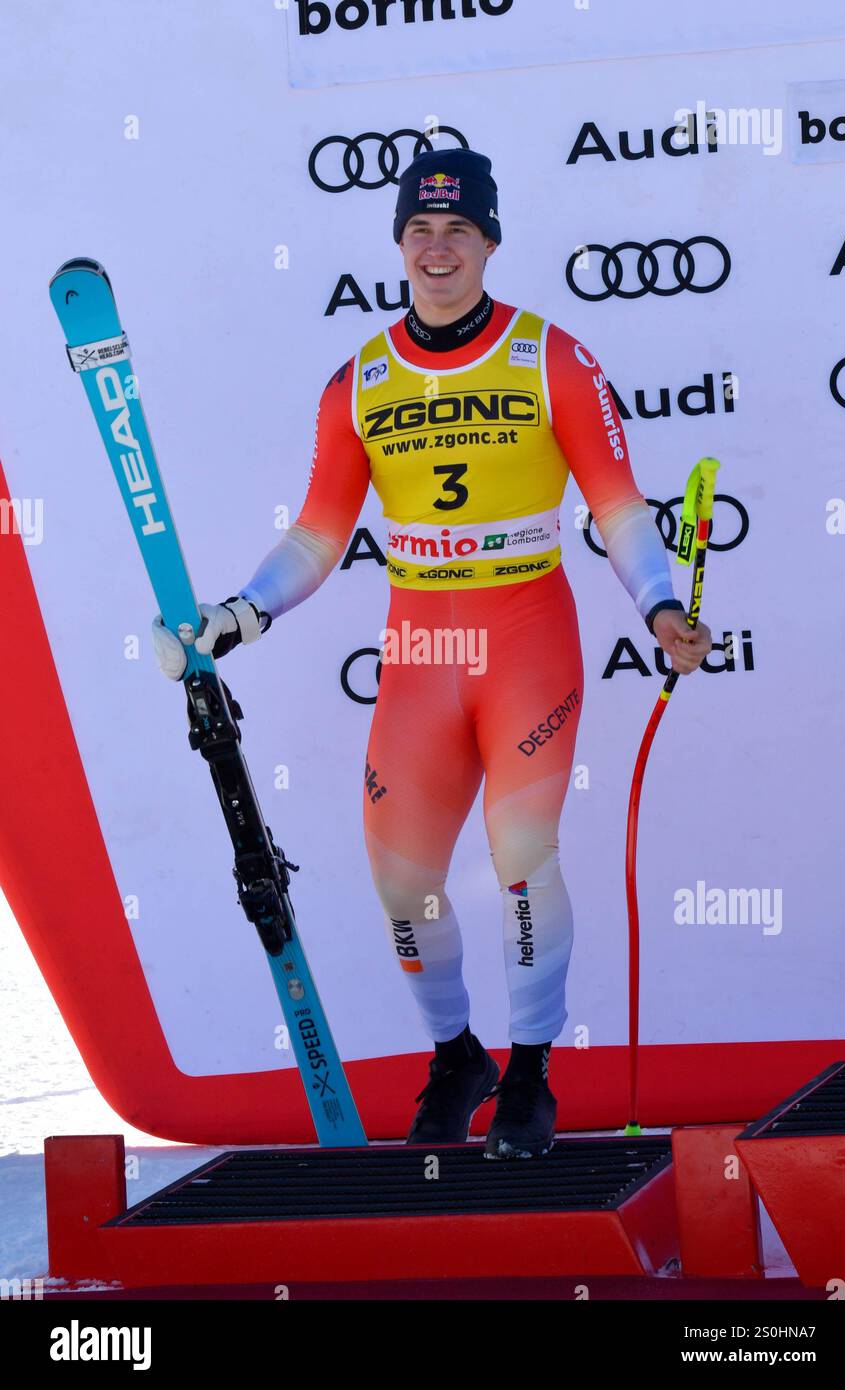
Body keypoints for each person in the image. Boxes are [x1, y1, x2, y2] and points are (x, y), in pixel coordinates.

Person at [153, 148, 711, 1159]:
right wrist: (238, 614)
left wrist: (661, 603)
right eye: (420, 231)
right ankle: (455, 1054)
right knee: (399, 880)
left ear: (489, 241)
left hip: (523, 637)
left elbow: (616, 505)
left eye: (458, 231)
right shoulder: (359, 378)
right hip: (420, 650)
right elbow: (318, 535)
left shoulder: (551, 356)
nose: (437, 247)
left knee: (519, 856)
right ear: (398, 244)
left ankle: (532, 1072)